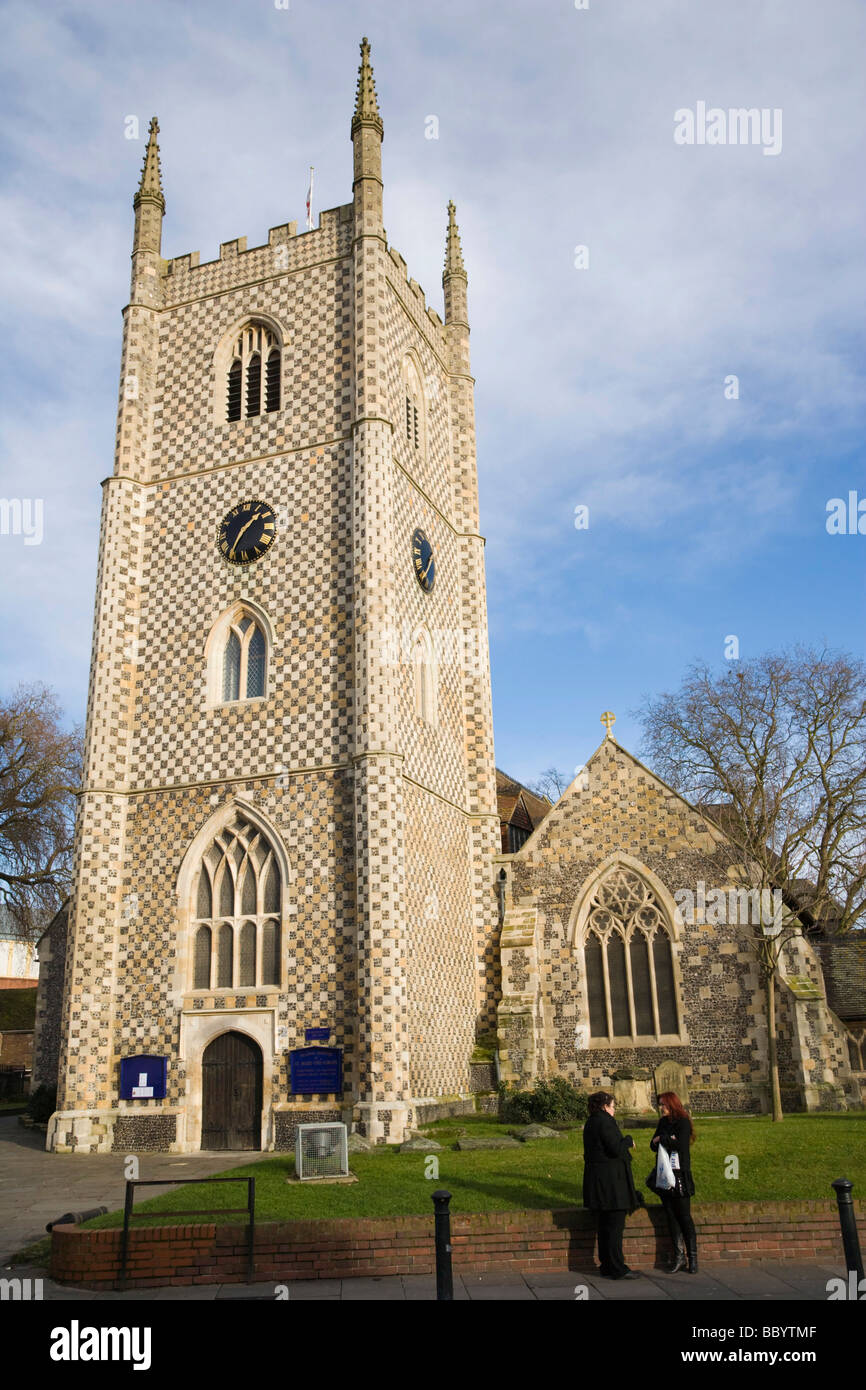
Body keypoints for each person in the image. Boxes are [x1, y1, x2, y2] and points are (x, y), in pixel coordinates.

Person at [582, 1090, 641, 1279]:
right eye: (613, 1106)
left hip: (598, 1182)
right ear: (605, 1106)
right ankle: (617, 1268)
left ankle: (607, 1265)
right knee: (615, 1227)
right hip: (611, 1184)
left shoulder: (591, 1121)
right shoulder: (605, 1121)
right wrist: (628, 1140)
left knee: (605, 1226)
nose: (614, 1110)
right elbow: (615, 1148)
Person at [650, 1091, 697, 1273]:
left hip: (679, 1174)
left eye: (663, 1104)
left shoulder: (683, 1122)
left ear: (672, 1105)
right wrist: (665, 1140)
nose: (661, 1108)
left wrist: (663, 1139)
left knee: (684, 1216)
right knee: (671, 1216)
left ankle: (693, 1257)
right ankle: (679, 1257)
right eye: (660, 1104)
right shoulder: (663, 1123)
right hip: (664, 1174)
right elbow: (652, 1145)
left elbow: (682, 1144)